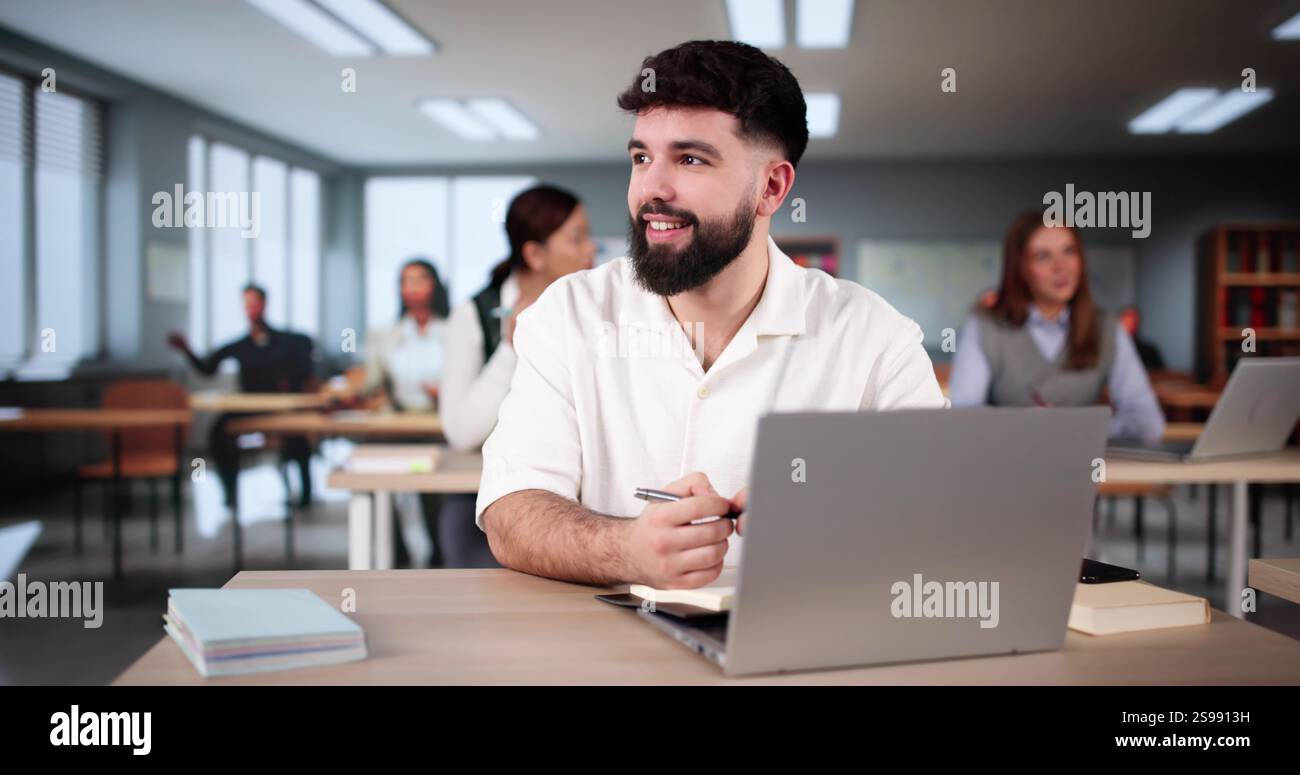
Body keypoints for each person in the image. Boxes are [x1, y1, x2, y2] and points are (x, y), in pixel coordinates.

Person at [475, 40, 946, 590]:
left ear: (771, 187)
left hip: (800, 651)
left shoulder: (874, 336)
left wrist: (836, 523)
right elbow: (512, 513)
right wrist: (626, 548)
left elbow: (942, 515)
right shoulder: (568, 315)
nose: (651, 188)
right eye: (641, 157)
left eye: (691, 159)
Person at [437, 185, 596, 567]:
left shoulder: (594, 311)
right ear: (535, 254)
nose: (590, 250)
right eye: (577, 238)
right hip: (498, 499)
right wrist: (511, 349)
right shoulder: (475, 315)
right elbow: (459, 431)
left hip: (586, 498)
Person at [948, 210, 1165, 441]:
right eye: (1043, 256)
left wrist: (1070, 429)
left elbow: (1148, 424)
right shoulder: (985, 325)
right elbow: (963, 415)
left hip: (1084, 470)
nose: (1061, 267)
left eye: (1069, 252)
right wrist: (1023, 426)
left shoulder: (1107, 328)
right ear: (1020, 267)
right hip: (1005, 467)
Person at [167, 284, 317, 509]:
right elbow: (208, 368)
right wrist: (186, 349)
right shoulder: (241, 345)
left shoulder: (288, 342)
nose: (252, 309)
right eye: (247, 305)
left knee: (295, 434)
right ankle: (230, 492)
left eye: (255, 303)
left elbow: (307, 362)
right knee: (218, 432)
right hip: (249, 406)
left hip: (281, 407)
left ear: (265, 305)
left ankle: (305, 494)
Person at [358, 258, 450, 566]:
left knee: (436, 497)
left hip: (442, 427)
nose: (411, 288)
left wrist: (446, 393)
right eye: (405, 281)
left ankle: (441, 557)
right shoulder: (386, 335)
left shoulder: (453, 331)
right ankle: (394, 557)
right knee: (381, 487)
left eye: (419, 280)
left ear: (434, 285)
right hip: (399, 424)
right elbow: (373, 382)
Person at [1119, 305, 1166, 373]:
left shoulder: (1150, 351)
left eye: (1135, 316)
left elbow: (1161, 374)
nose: (1133, 319)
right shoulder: (1112, 350)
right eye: (1128, 315)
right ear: (1120, 320)